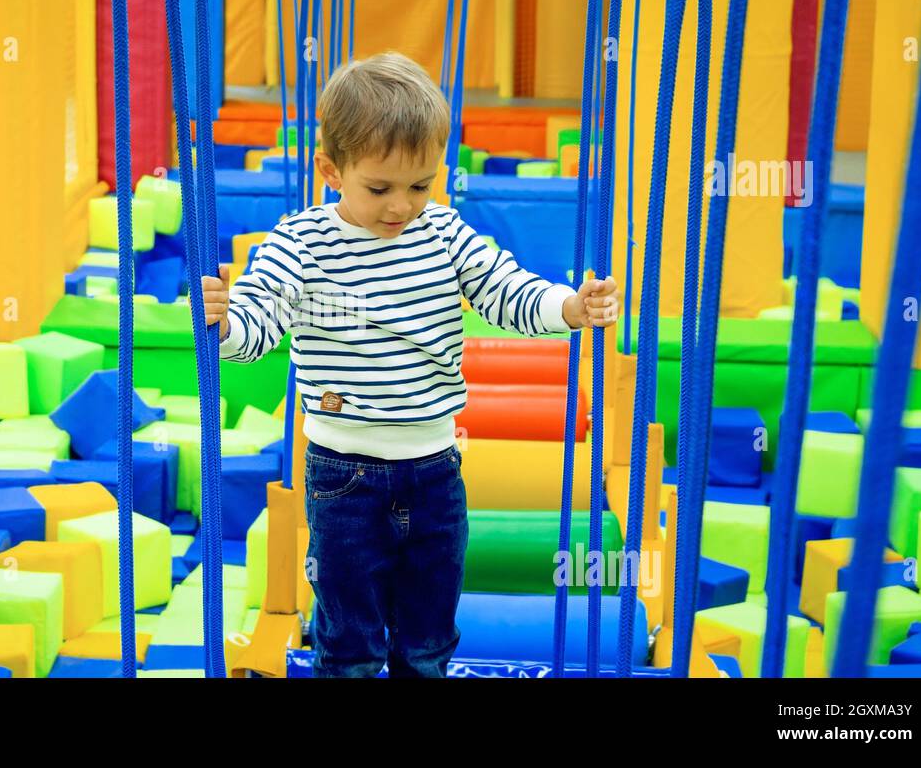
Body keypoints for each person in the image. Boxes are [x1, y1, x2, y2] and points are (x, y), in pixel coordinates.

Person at [201, 51, 620, 677]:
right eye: (380, 188)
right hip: (344, 477)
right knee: (350, 642)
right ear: (330, 171)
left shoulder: (443, 233)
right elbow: (258, 326)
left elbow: (506, 290)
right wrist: (224, 322)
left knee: (428, 640)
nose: (401, 206)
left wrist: (567, 306)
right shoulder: (300, 243)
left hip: (435, 471)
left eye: (420, 185)